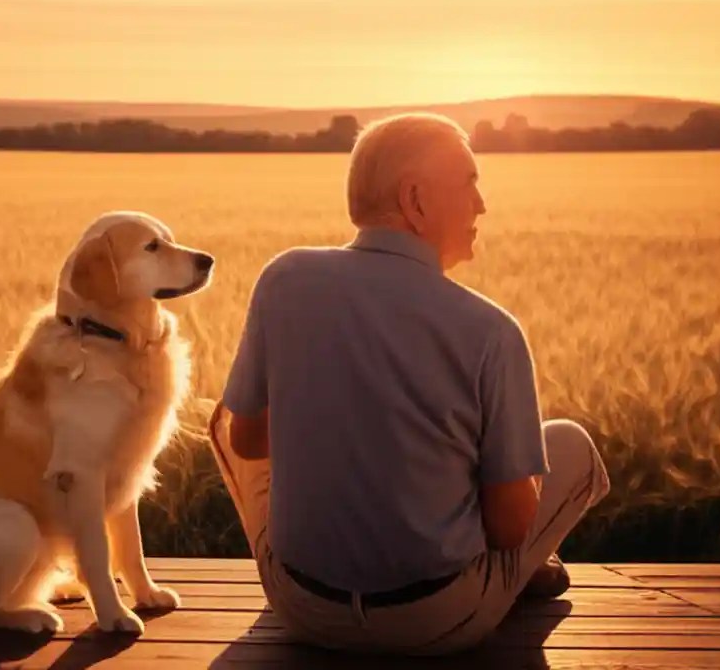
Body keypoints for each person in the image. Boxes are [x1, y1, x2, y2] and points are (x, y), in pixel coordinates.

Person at [207, 112, 611, 655]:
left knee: (232, 419)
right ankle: (523, 574)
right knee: (571, 445)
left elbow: (249, 443)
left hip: (302, 607)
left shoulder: (283, 278)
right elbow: (510, 528)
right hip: (433, 623)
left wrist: (334, 424)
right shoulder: (491, 331)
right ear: (416, 200)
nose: (482, 204)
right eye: (469, 182)